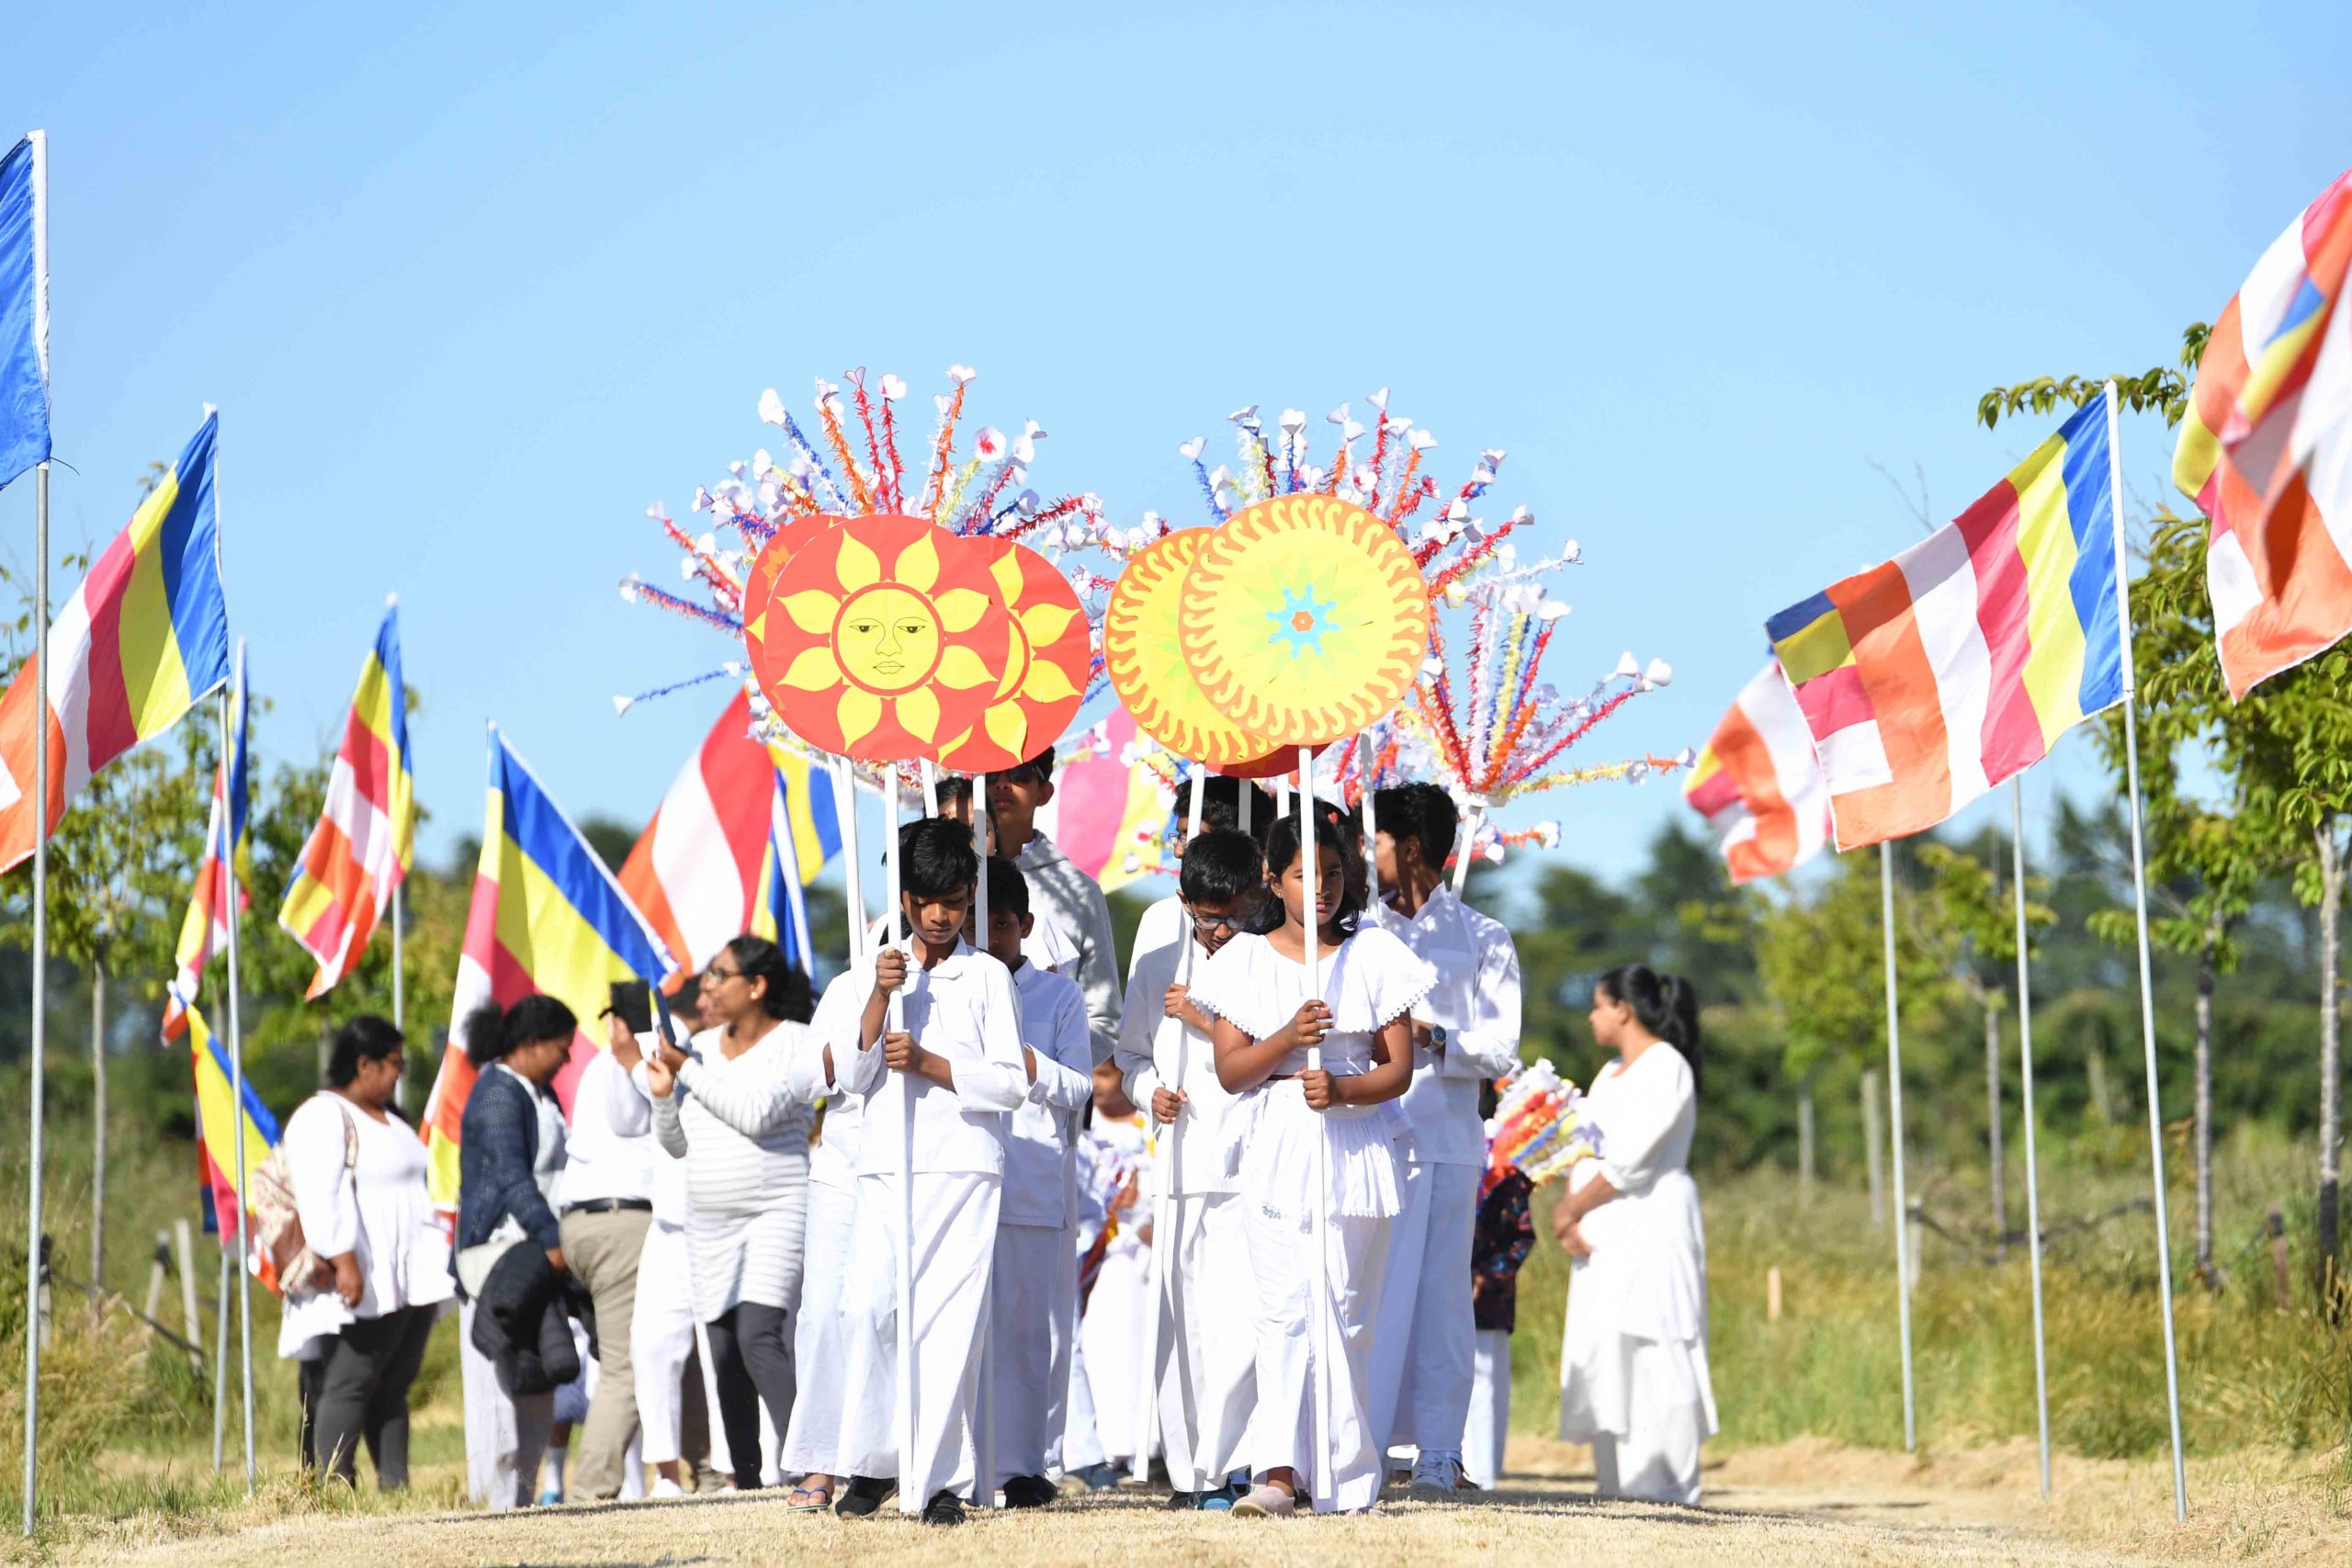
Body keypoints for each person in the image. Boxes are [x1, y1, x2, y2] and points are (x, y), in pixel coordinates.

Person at [1191, 807, 1431, 1517]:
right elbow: (1232, 1069)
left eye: (1331, 874)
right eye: (1303, 876)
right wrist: (1288, 1039)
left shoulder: (1376, 955)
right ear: (1274, 879)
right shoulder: (1242, 958)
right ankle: (1278, 1473)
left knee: (1348, 1312)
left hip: (1354, 1144)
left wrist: (1346, 1089)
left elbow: (1398, 1070)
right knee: (1283, 1309)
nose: (1320, 889)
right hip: (1276, 1140)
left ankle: (1348, 1475)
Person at [831, 818, 1030, 1527]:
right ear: (905, 900)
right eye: (927, 901)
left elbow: (1011, 1083)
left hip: (965, 1169)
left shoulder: (986, 976)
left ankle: (940, 1480)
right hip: (889, 1165)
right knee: (874, 1312)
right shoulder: (873, 968)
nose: (941, 915)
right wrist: (880, 996)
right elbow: (852, 1075)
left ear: (970, 894)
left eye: (954, 899)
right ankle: (876, 1460)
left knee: (947, 1328)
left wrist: (933, 1065)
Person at [1364, 783, 1524, 1497]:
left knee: (1440, 1301)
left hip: (1449, 1141)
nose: (1369, 856)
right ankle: (1362, 1447)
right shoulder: (1360, 930)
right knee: (1370, 1295)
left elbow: (1501, 1048)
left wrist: (1431, 1034)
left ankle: (1437, 1451)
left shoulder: (1484, 937)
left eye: (1378, 842)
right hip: (1370, 1136)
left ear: (1414, 848)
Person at [1115, 827, 1264, 1509]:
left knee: (1241, 1318)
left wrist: (1203, 1018)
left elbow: (1277, 1048)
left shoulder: (1271, 959)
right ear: (1185, 901)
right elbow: (1130, 1061)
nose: (1221, 931)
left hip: (1252, 1162)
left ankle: (1239, 1461)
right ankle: (1191, 1472)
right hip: (1180, 1162)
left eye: (1233, 915)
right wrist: (1153, 1094)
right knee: (1182, 1322)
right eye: (1208, 917)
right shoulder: (1157, 962)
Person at [647, 934, 816, 1492]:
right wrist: (662, 1094)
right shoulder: (696, 1046)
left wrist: (685, 1070)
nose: (708, 986)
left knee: (759, 1334)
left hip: (777, 1208)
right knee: (721, 1345)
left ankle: (807, 1468)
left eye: (721, 975)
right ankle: (746, 1478)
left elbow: (756, 1115)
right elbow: (675, 1143)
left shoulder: (796, 1042)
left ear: (757, 986)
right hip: (710, 1218)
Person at [1552, 964, 1716, 1505]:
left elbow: (1632, 1161)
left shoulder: (1666, 1067)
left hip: (1654, 1223)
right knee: (1608, 1346)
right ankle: (1617, 1479)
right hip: (1607, 1233)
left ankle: (1664, 1480)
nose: (1593, 1017)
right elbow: (1591, 1147)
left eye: (1598, 1006)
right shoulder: (1608, 1072)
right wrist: (1575, 1212)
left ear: (1622, 1008)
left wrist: (1571, 1207)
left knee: (1656, 1343)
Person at [275, 1016, 452, 1490]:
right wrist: (344, 1259)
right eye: (396, 1063)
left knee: (392, 1386)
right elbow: (320, 1192)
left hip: (410, 1275)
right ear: (364, 1064)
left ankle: (396, 1487)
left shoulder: (391, 1117)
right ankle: (333, 1485)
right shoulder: (323, 1114)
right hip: (364, 1274)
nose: (400, 1073)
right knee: (350, 1382)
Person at [978, 857, 1094, 1507]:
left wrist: (1032, 1065)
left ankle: (1024, 1463)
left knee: (1027, 1328)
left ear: (1024, 925)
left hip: (1032, 1178)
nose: (992, 934)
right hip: (965, 1173)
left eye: (1003, 922)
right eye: (981, 922)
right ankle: (966, 1458)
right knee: (968, 1323)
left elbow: (1080, 1084)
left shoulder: (1059, 996)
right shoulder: (955, 984)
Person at [455, 995, 576, 1510]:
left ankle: (522, 1502)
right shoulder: (499, 1094)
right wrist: (551, 1237)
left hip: (534, 1254)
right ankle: (495, 1504)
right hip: (500, 1258)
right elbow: (510, 1175)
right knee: (497, 1388)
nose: (566, 1059)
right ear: (530, 1045)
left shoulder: (537, 1091)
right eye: (560, 1048)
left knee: (535, 1378)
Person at [553, 1007, 662, 1501]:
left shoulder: (604, 1060)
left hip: (585, 1219)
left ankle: (703, 1471)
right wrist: (634, 1061)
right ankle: (591, 1488)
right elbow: (628, 1118)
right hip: (621, 1219)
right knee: (628, 1363)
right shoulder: (631, 1057)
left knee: (631, 1357)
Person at [990, 750, 1123, 1063]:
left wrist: (1052, 1073)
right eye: (992, 774)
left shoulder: (1079, 891)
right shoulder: (954, 883)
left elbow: (1104, 1019)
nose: (1003, 785)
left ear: (1045, 792)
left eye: (1020, 774)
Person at [1075, 1057, 1156, 1483]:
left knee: (1139, 1349)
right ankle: (1106, 1444)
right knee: (1102, 1349)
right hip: (1101, 1255)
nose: (1096, 1084)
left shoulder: (1147, 1121)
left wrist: (1144, 1214)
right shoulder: (1088, 1126)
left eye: (1105, 1074)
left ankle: (1144, 1444)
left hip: (1141, 1251)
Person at [1124, 775, 1275, 976]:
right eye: (1179, 836)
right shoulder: (1160, 919)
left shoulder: (1282, 928)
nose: (1178, 851)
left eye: (1193, 836)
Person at [1465, 1125, 1533, 1493]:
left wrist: (1486, 1278)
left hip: (1489, 1299)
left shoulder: (1508, 1170)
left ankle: (1483, 1472)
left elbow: (1521, 1236)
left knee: (1485, 1381)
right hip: (1447, 1285)